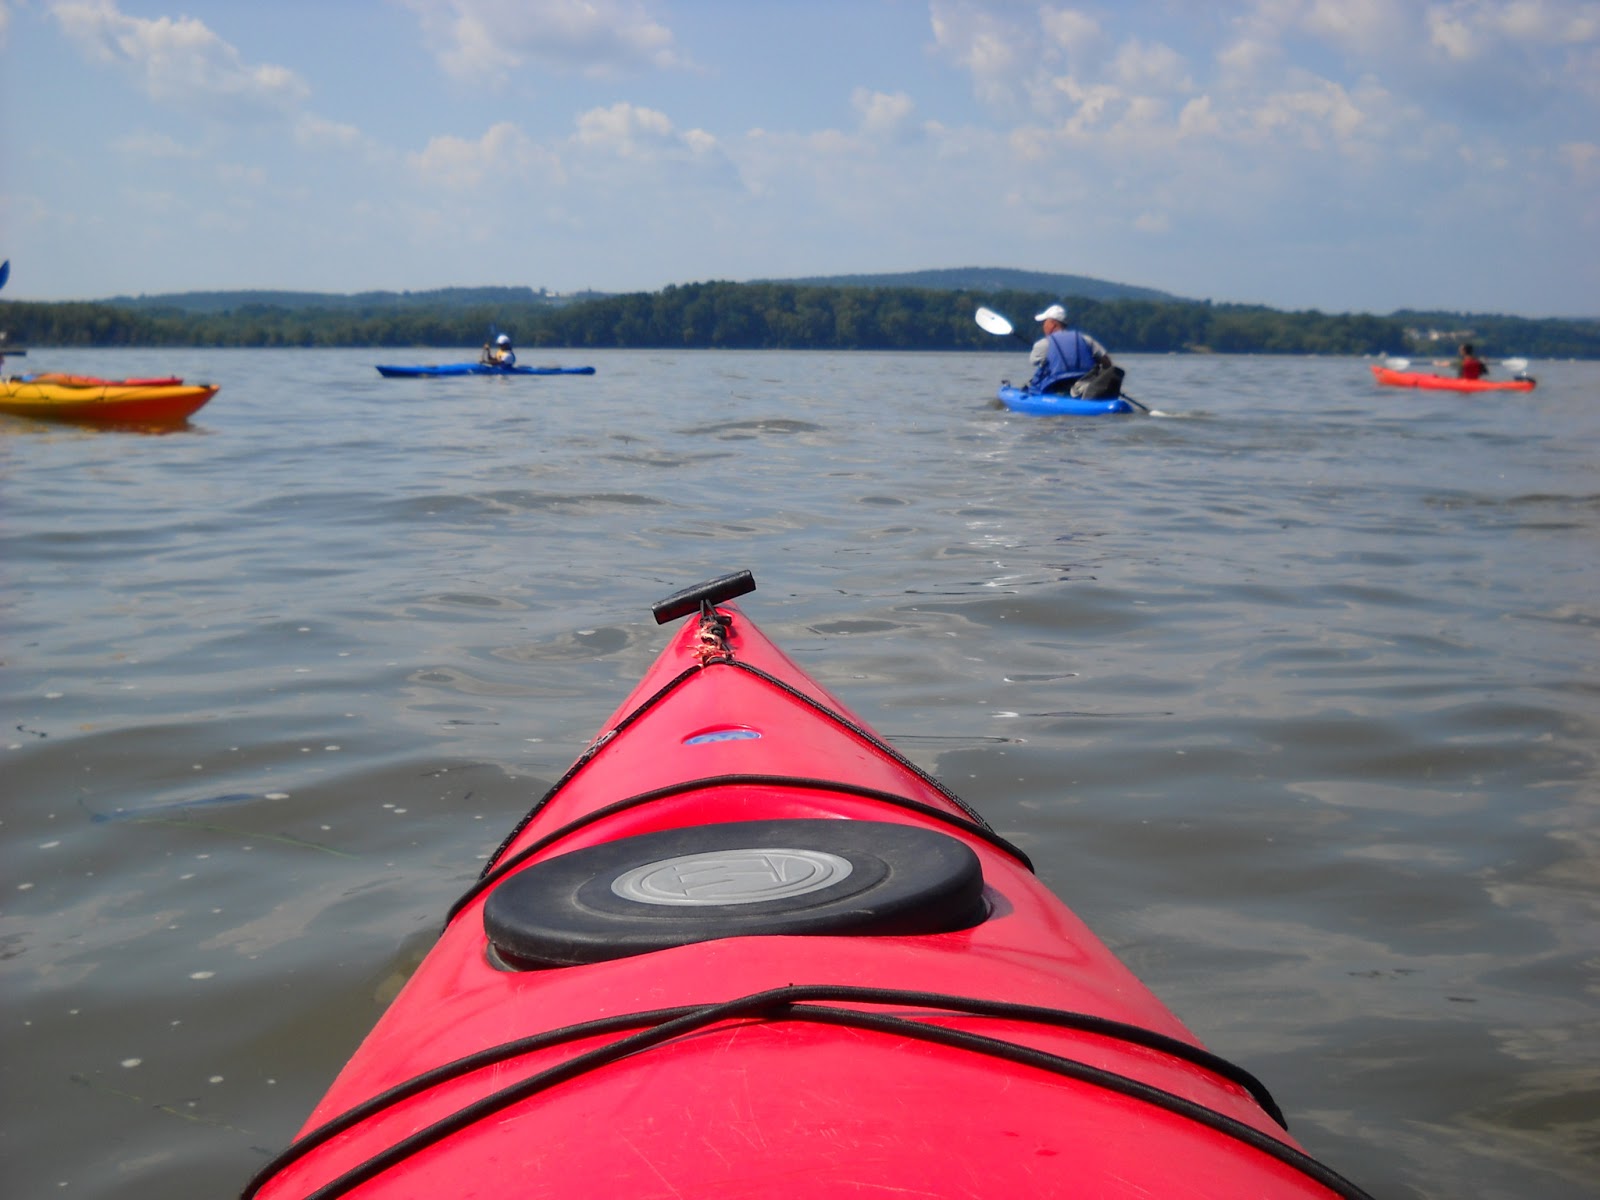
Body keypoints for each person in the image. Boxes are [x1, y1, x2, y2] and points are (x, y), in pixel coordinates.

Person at [1028, 304, 1113, 395]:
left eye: (1045, 322)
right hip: (1086, 385)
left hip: (1055, 386)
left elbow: (1034, 361)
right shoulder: (1086, 340)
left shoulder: (1044, 344)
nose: (1043, 326)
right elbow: (1107, 363)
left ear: (1053, 324)